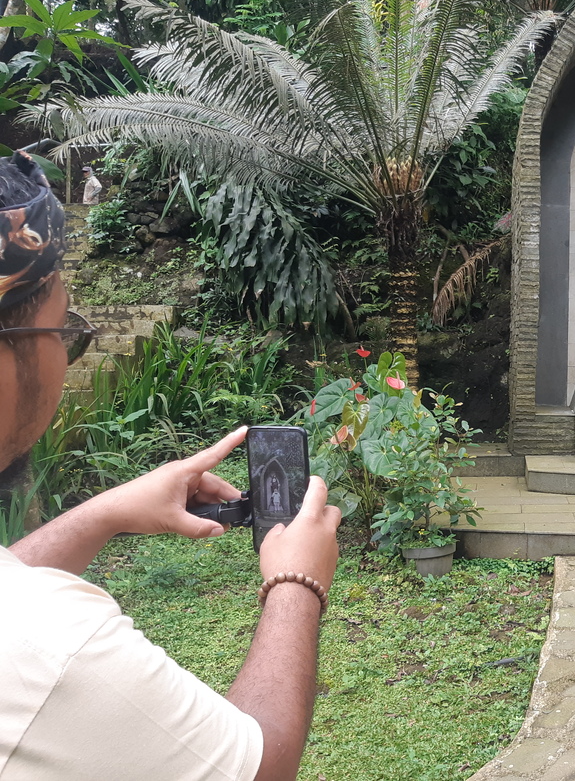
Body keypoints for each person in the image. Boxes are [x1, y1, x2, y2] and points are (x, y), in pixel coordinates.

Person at [0, 150, 341, 781]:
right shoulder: (48, 648)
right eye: (59, 330)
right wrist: (297, 582)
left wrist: (106, 512)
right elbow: (259, 764)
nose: (65, 358)